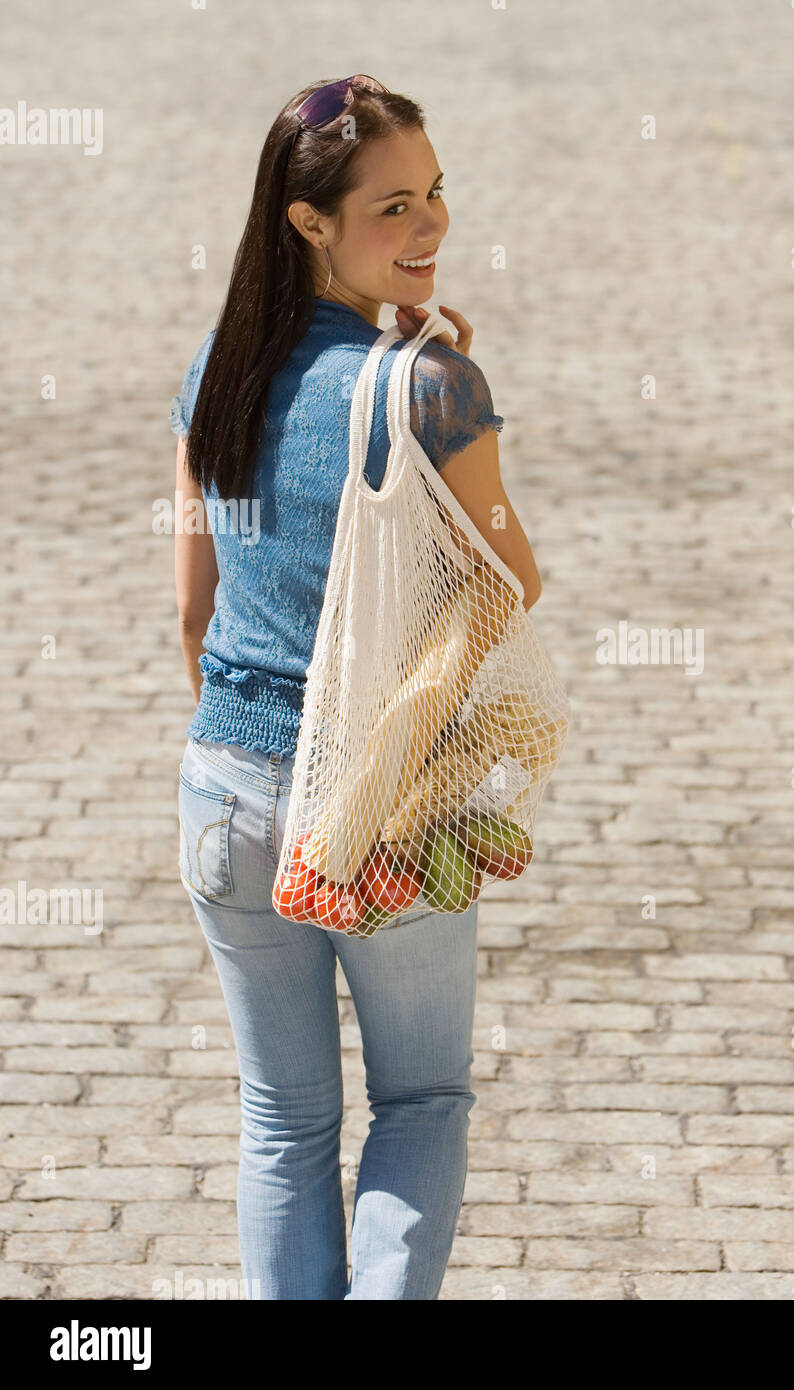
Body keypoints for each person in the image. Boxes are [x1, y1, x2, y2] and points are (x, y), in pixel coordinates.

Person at [169, 75, 542, 1300]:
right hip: (384, 796)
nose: (430, 225)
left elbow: (195, 609)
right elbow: (504, 585)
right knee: (423, 1095)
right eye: (393, 207)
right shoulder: (433, 391)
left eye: (436, 194)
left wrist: (255, 755)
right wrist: (370, 773)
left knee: (280, 1120)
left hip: (223, 792)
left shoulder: (216, 371)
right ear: (308, 221)